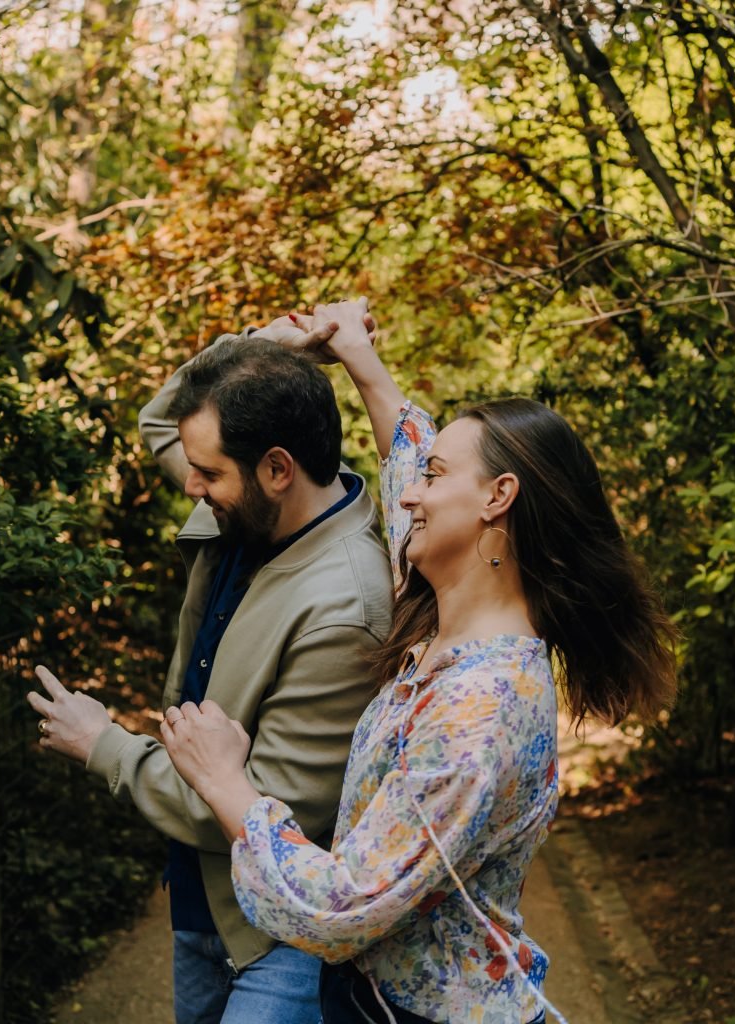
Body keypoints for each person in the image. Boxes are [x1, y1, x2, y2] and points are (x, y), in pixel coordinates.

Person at [158, 298, 680, 1024]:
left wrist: (223, 780)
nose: (408, 493)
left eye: (433, 476)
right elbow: (406, 452)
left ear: (498, 498)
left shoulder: (479, 709)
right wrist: (357, 357)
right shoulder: (438, 609)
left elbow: (344, 906)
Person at [26, 322, 394, 1024]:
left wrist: (102, 745)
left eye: (209, 474)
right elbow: (159, 418)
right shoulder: (256, 502)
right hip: (200, 902)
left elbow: (265, 812)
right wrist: (263, 345)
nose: (191, 486)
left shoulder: (345, 608)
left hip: (273, 941)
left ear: (278, 468)